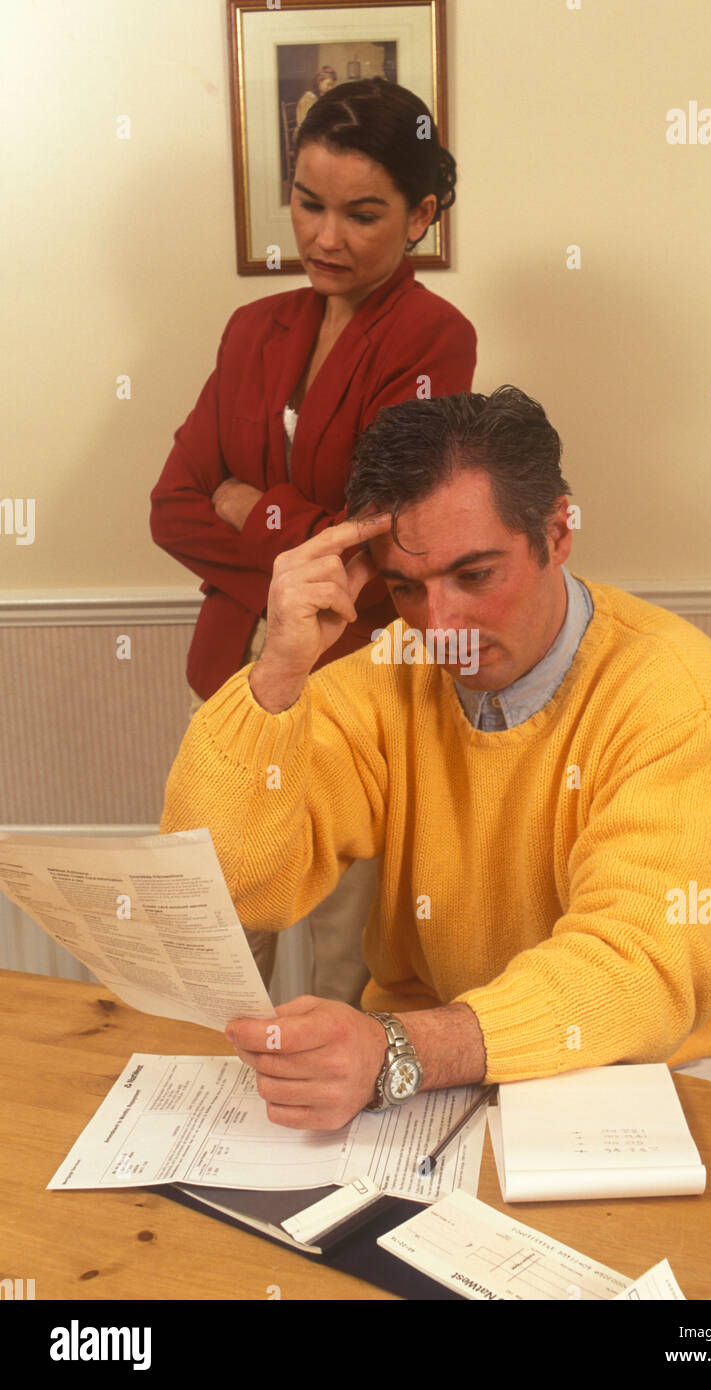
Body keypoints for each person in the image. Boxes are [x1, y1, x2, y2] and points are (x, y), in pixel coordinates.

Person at [161, 386, 711, 1133]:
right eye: (406, 588)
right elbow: (230, 894)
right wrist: (279, 675)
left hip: (654, 1065)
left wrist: (402, 1047)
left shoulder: (678, 692)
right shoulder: (386, 674)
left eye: (476, 575)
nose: (442, 626)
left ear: (556, 531)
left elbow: (638, 969)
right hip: (437, 1074)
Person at [150, 78, 476, 998]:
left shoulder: (435, 338)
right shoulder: (253, 328)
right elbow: (171, 503)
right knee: (212, 951)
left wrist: (247, 504)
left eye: (363, 213)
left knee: (346, 958)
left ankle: (336, 1135)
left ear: (420, 216)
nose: (325, 236)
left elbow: (384, 544)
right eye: (308, 202)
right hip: (232, 684)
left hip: (356, 683)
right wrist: (300, 542)